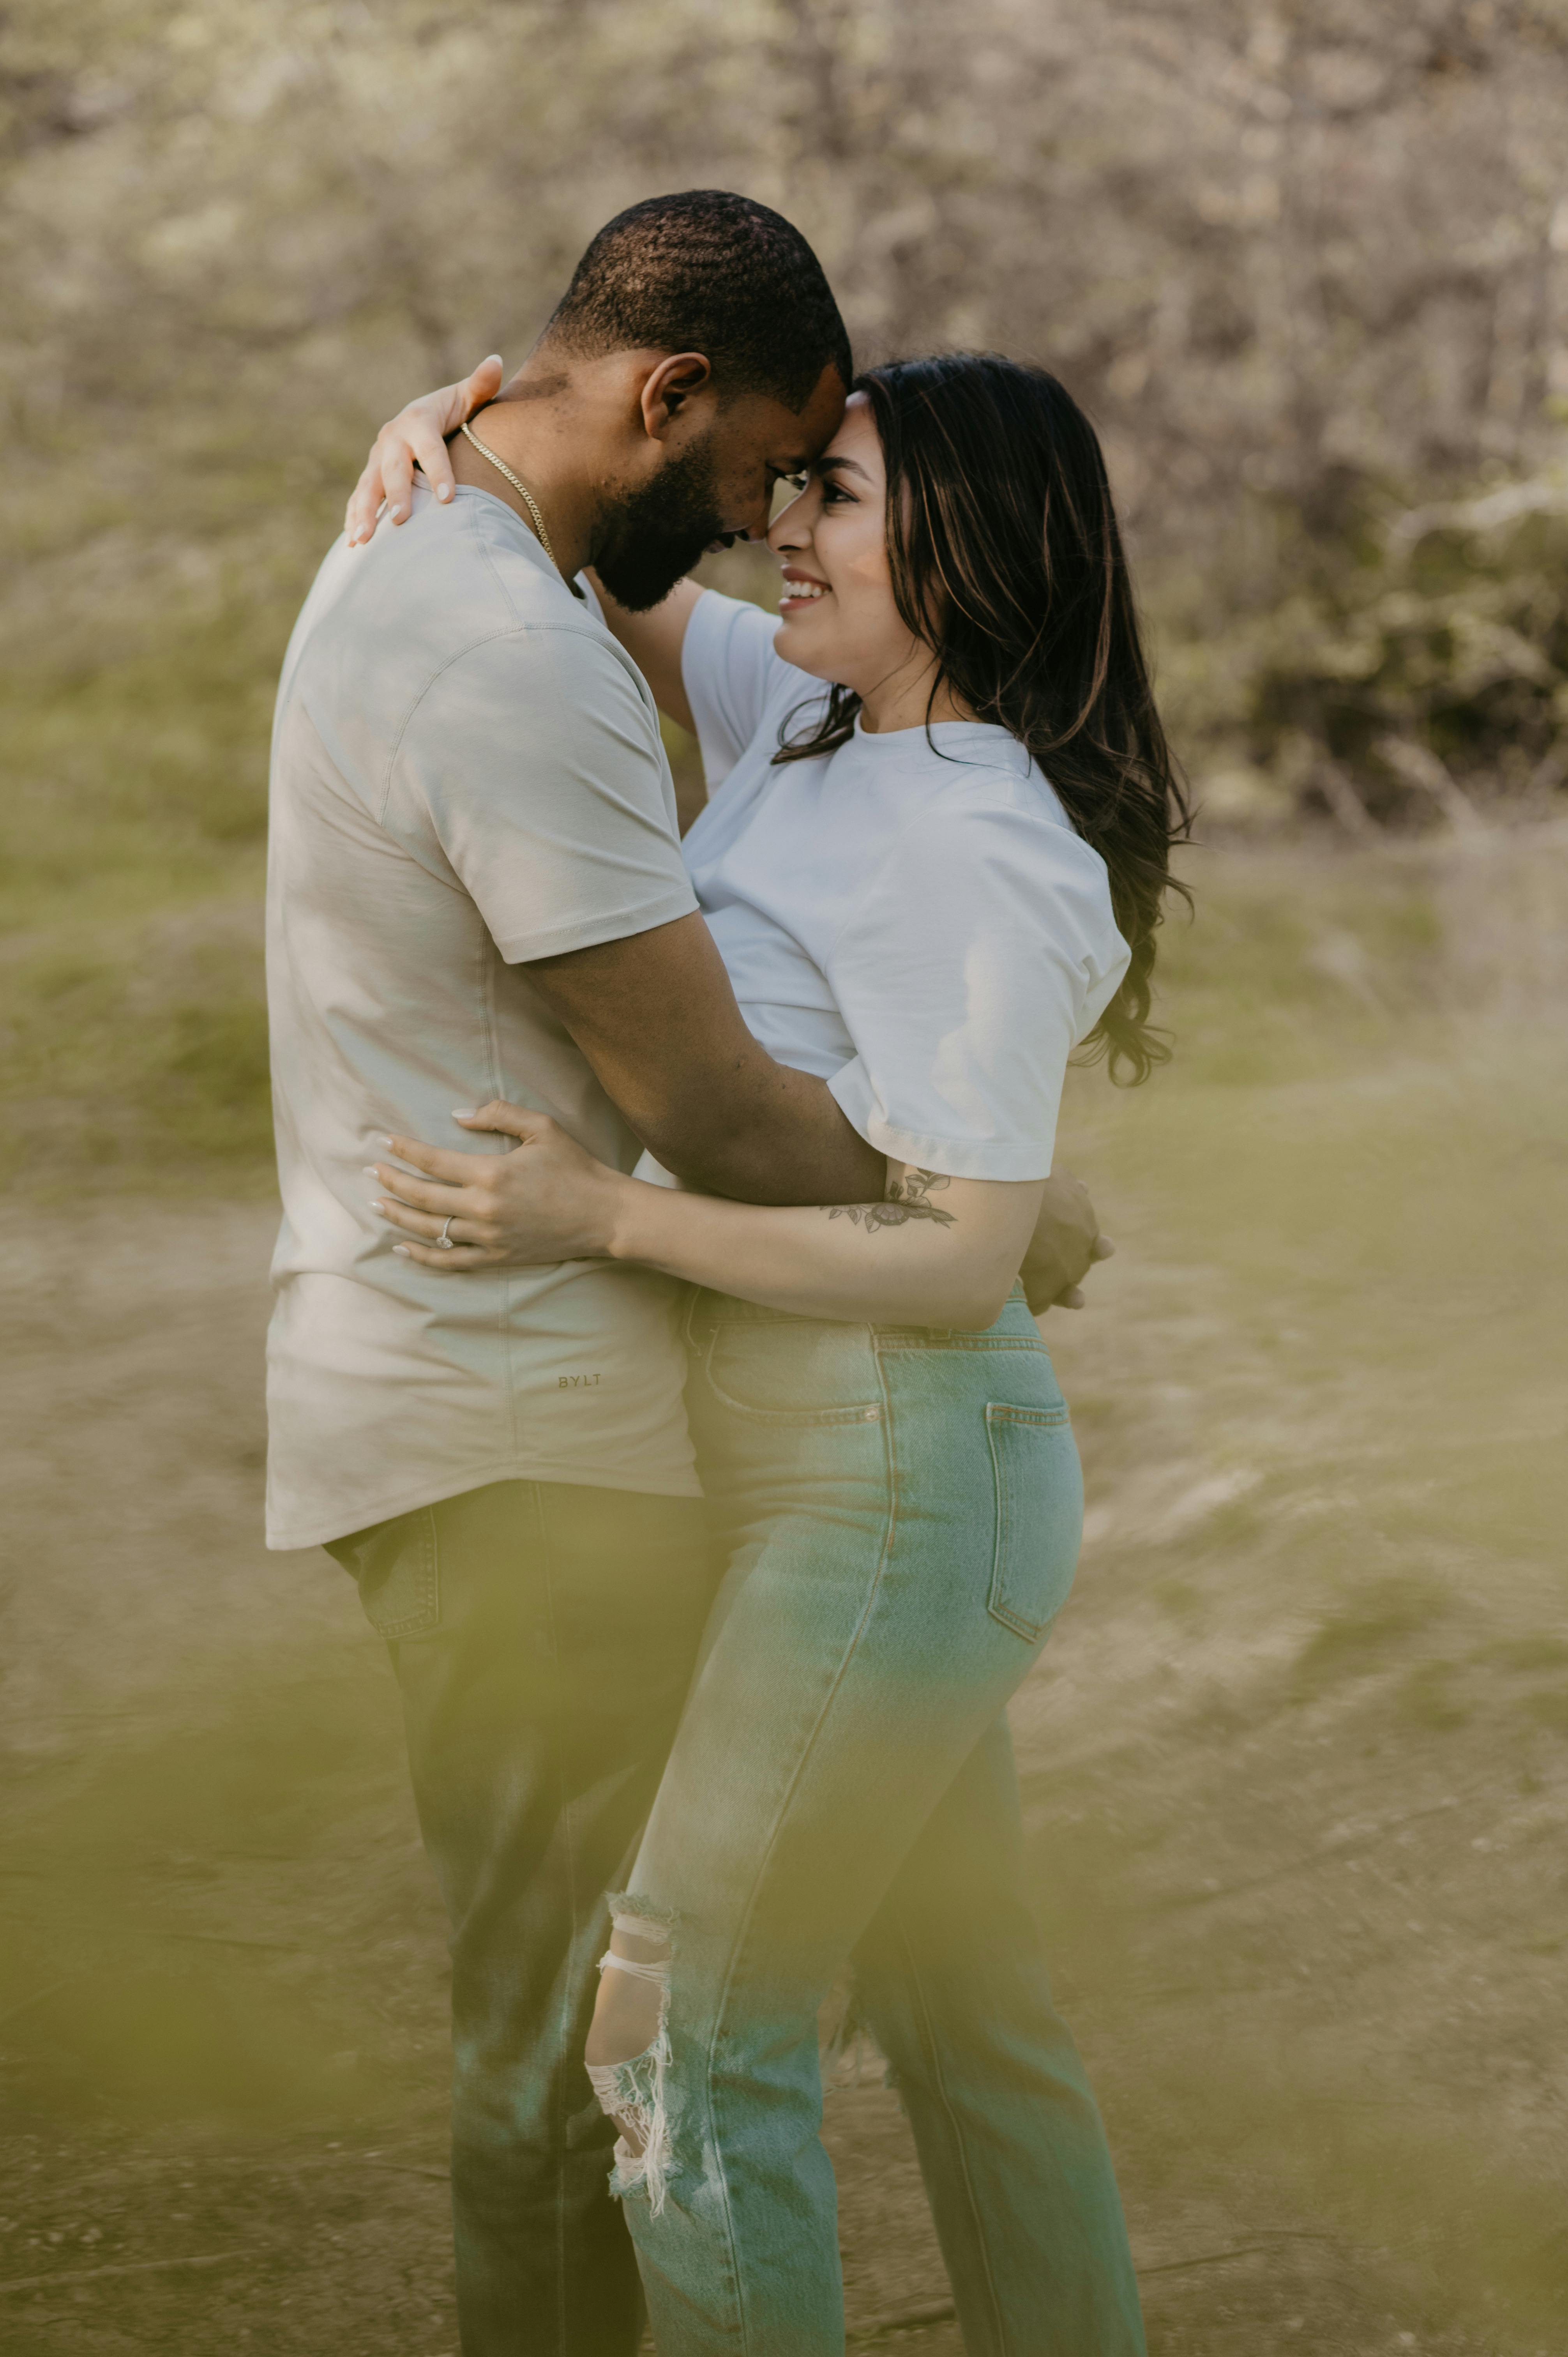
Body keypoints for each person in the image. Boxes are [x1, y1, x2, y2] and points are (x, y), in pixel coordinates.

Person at [270, 190, 1108, 2357]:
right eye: (778, 475)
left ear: (958, 562)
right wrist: (449, 414)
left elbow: (878, 1210)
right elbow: (595, 551)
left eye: (825, 496)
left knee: (730, 2024)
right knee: (906, 2009)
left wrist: (661, 1215)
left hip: (881, 1440)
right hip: (731, 1427)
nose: (771, 533)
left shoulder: (966, 807)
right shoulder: (778, 709)